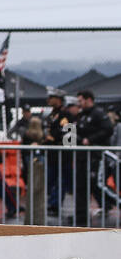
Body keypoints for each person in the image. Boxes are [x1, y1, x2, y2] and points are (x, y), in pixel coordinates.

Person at [71, 90, 112, 223]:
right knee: (81, 187)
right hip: (82, 157)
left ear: (88, 100)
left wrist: (90, 139)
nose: (79, 103)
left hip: (96, 157)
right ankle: (81, 217)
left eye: (81, 100)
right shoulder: (81, 115)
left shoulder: (98, 114)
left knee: (98, 185)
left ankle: (111, 204)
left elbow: (108, 130)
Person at [43, 92, 70, 214]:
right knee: (50, 180)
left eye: (51, 98)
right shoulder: (52, 114)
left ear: (58, 99)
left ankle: (54, 205)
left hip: (62, 154)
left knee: (61, 180)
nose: (48, 100)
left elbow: (69, 137)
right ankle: (51, 203)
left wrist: (54, 139)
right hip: (52, 154)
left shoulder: (65, 115)